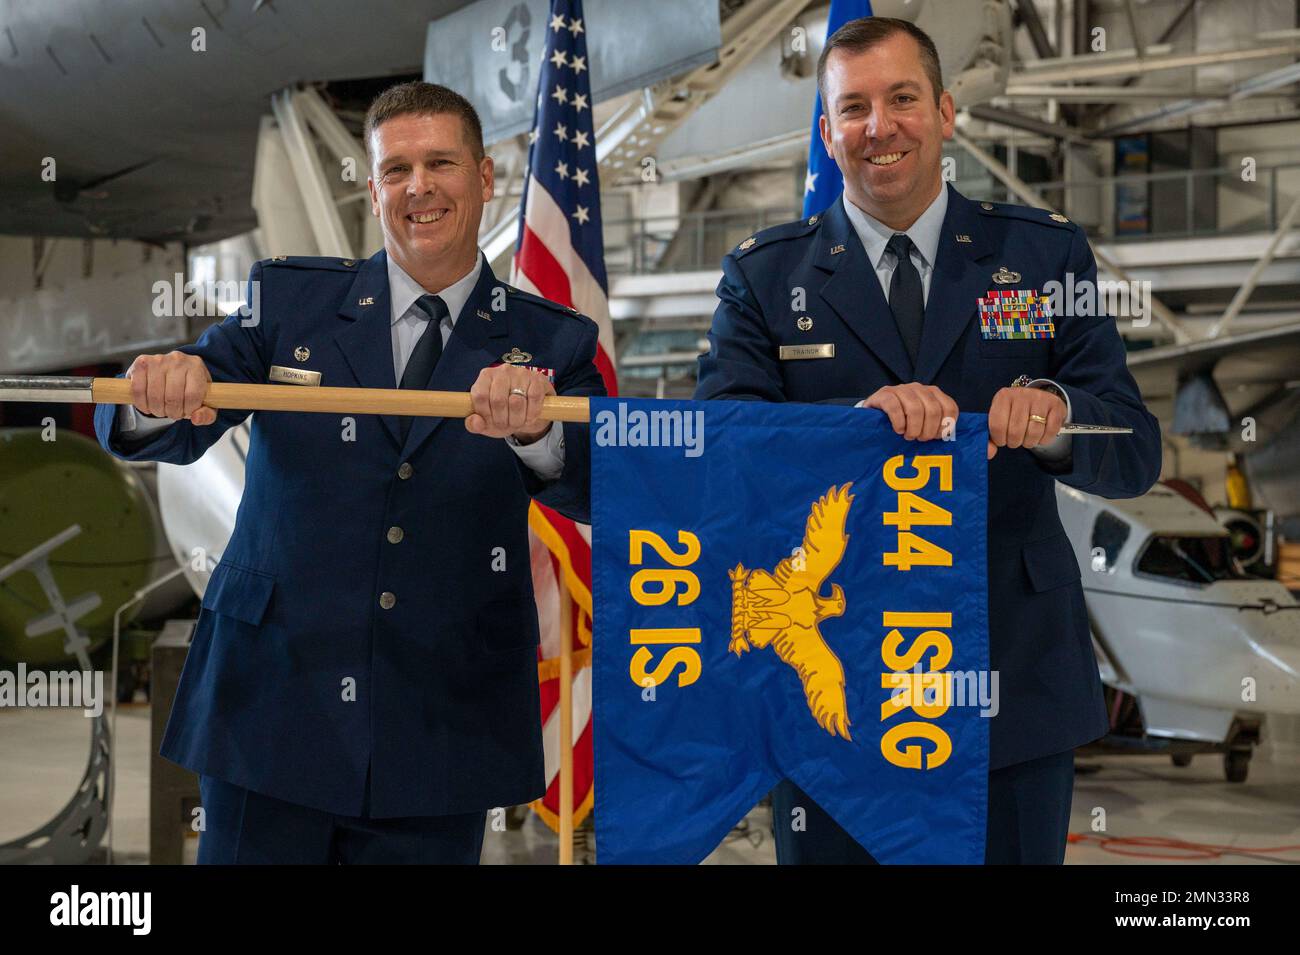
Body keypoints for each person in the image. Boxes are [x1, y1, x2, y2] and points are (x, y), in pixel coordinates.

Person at [95, 81, 606, 864]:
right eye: (396, 169)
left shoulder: (552, 343)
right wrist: (159, 390)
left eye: (440, 163)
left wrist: (538, 432)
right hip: (269, 710)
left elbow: (601, 486)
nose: (418, 187)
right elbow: (154, 416)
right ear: (372, 188)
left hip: (442, 729)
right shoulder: (290, 302)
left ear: (484, 177)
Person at [694, 17, 1162, 864]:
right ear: (828, 134)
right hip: (834, 685)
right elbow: (727, 461)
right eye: (855, 108)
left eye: (902, 98)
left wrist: (1055, 415)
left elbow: (1131, 444)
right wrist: (853, 428)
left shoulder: (1044, 257)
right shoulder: (764, 277)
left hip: (1010, 679)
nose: (881, 126)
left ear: (946, 112)